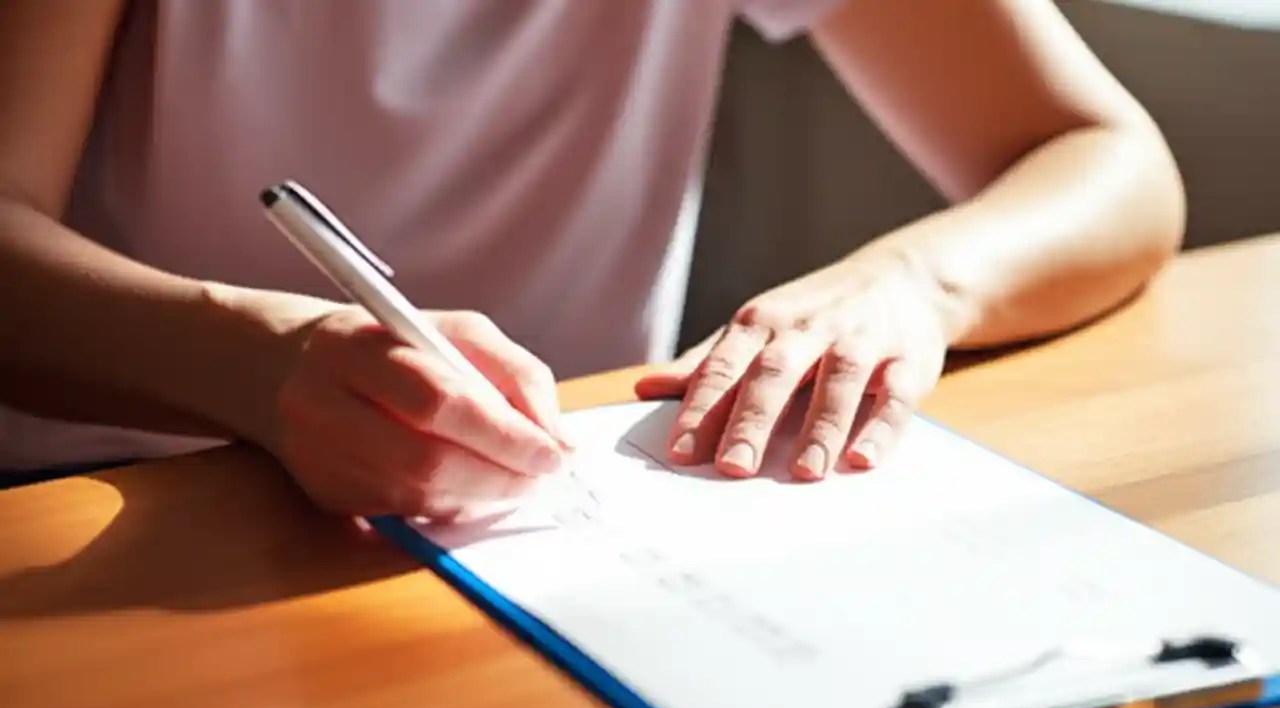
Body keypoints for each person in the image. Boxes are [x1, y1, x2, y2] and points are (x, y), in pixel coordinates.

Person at [0, 1, 1183, 518]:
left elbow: (1104, 156)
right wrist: (262, 364)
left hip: (560, 521)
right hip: (116, 506)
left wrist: (911, 281)